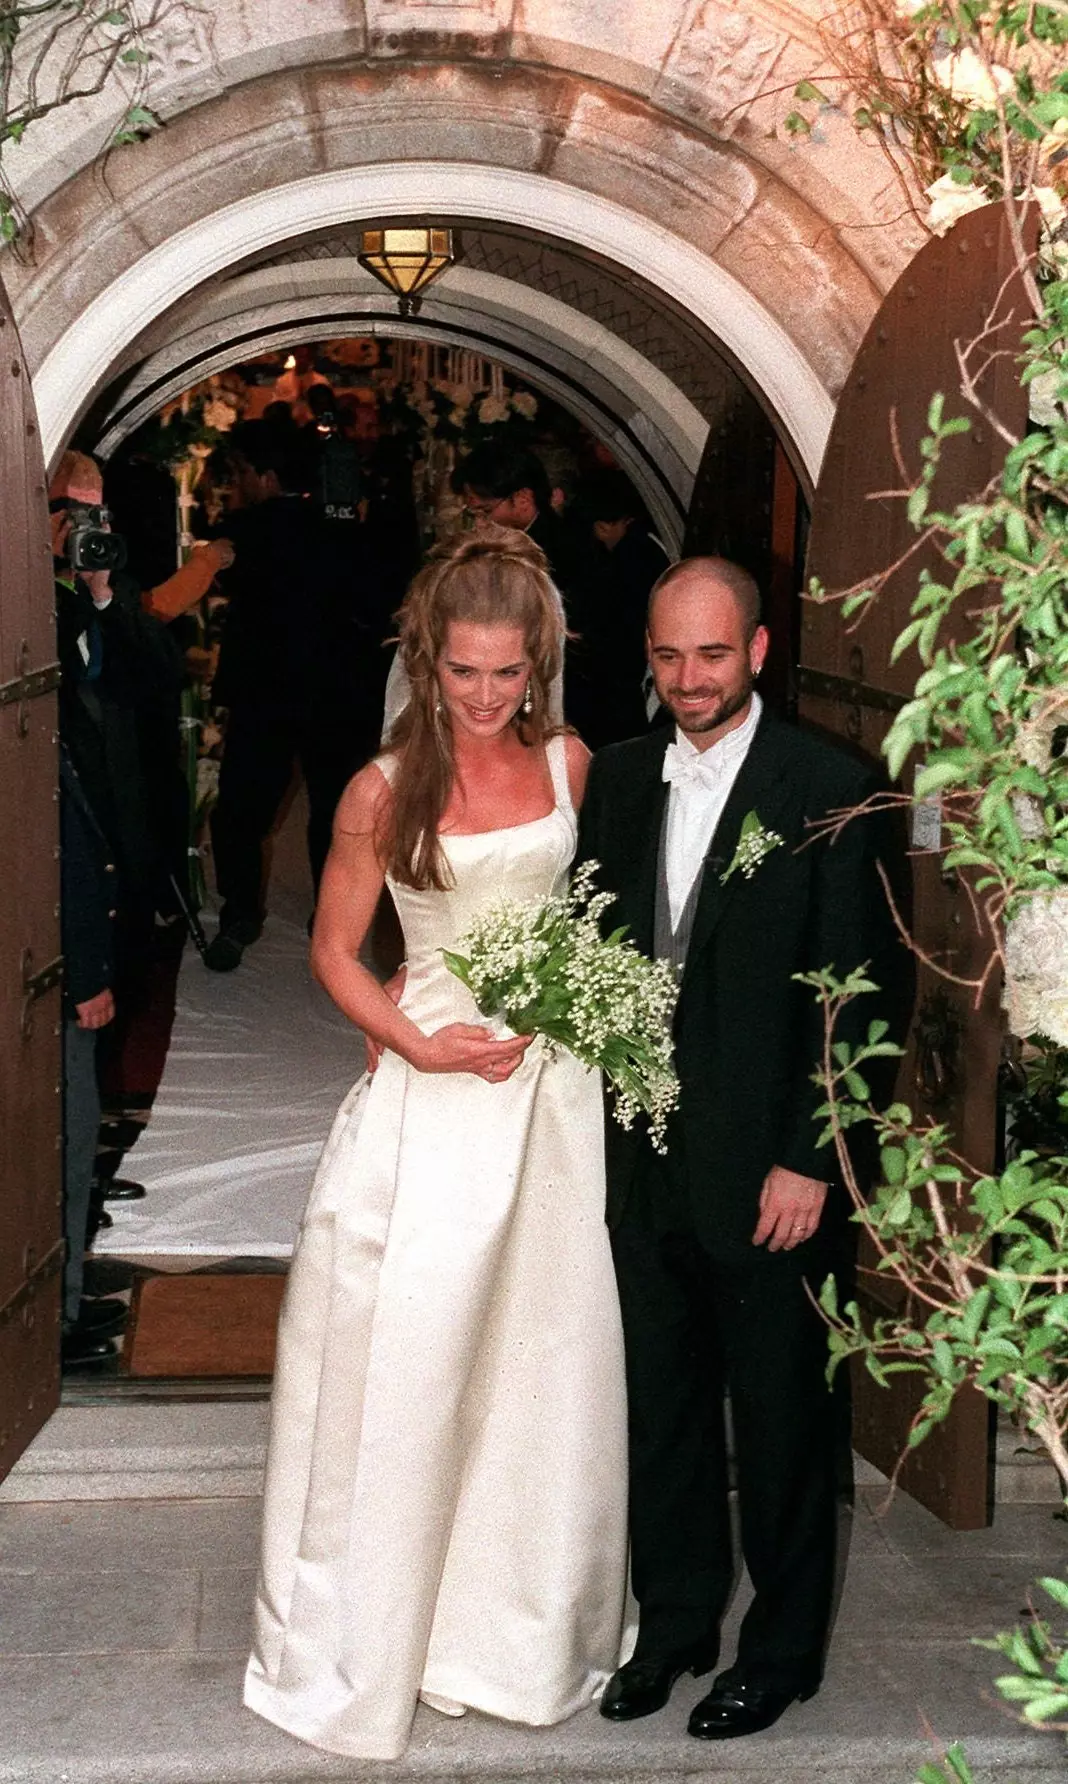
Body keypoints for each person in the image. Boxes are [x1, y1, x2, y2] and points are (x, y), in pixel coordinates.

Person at [244, 531, 629, 1760]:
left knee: (541, 1366)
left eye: (506, 672)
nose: (483, 695)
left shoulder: (574, 764)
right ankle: (376, 1636)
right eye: (463, 670)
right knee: (409, 1372)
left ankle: (511, 1637)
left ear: (541, 663)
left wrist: (579, 997)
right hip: (433, 1092)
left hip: (551, 1096)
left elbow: (596, 916)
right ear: (429, 658)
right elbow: (332, 952)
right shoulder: (381, 785)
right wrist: (415, 1041)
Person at [579, 557, 912, 1741]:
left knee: (780, 1421)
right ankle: (671, 1629)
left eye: (712, 654)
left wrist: (812, 1158)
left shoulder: (831, 784)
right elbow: (597, 953)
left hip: (774, 1171)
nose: (689, 679)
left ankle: (778, 1654)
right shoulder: (617, 779)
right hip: (645, 1159)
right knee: (661, 1408)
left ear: (759, 651)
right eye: (669, 655)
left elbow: (864, 1001)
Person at [205, 421, 381, 969]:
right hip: (337, 689)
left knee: (241, 809)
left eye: (241, 475)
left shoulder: (246, 529)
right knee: (333, 807)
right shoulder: (347, 527)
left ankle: (239, 913)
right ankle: (328, 916)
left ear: (266, 475)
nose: (237, 486)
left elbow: (225, 590)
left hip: (265, 691)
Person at [578, 467, 670, 747]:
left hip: (628, 675)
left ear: (603, 525)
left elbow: (618, 623)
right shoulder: (647, 543)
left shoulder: (631, 557)